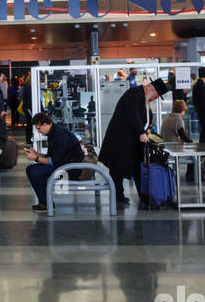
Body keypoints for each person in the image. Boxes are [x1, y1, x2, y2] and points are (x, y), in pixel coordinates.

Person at [100, 77, 169, 208]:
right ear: (150, 89)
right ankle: (119, 197)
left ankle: (140, 197)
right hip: (120, 140)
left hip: (130, 141)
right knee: (118, 170)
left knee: (133, 168)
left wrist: (147, 129)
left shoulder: (143, 97)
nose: (154, 99)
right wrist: (141, 132)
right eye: (156, 96)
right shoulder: (134, 93)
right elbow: (132, 114)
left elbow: (145, 116)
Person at [23, 112, 84, 212]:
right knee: (31, 169)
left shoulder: (59, 134)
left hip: (71, 169)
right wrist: (37, 154)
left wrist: (36, 158)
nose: (38, 131)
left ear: (45, 124)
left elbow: (55, 161)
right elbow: (53, 157)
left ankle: (46, 203)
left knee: (35, 172)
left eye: (39, 128)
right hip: (64, 165)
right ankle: (45, 202)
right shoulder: (54, 132)